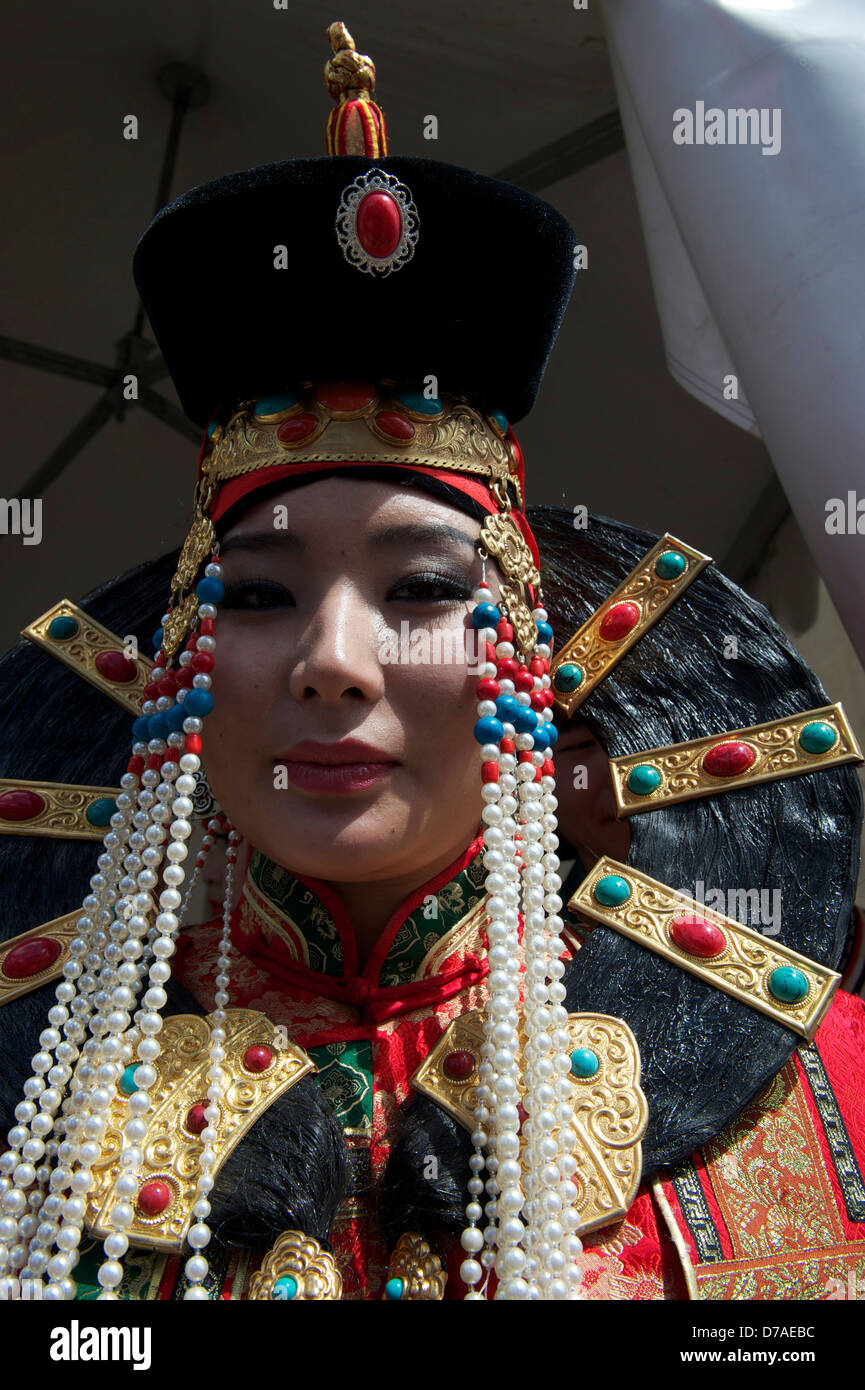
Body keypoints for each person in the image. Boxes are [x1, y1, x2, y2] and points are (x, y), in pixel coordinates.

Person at [0, 23, 862, 1303]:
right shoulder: (40, 1139)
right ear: (180, 660)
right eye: (257, 593)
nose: (333, 661)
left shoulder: (826, 1086)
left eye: (418, 588)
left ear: (521, 654)